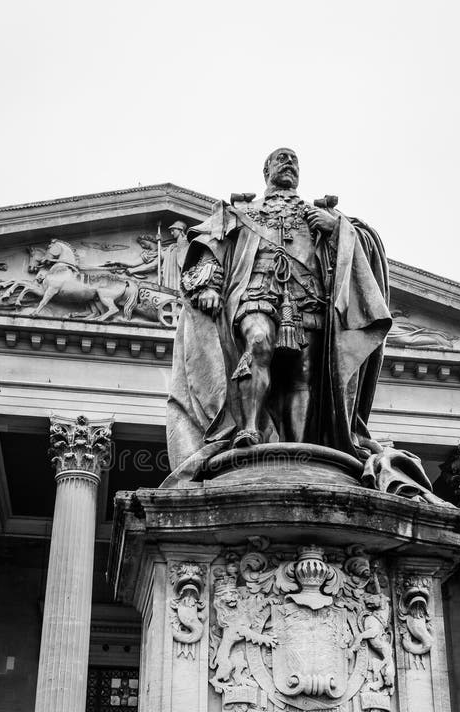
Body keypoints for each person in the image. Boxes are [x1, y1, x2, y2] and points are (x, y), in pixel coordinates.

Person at [167, 148, 392, 478]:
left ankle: (302, 452)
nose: (288, 164)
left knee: (303, 375)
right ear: (266, 170)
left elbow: (359, 256)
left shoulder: (320, 215)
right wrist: (207, 286)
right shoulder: (242, 211)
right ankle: (248, 428)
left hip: (306, 298)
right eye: (281, 159)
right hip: (258, 289)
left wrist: (336, 229)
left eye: (294, 161)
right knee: (257, 343)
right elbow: (209, 244)